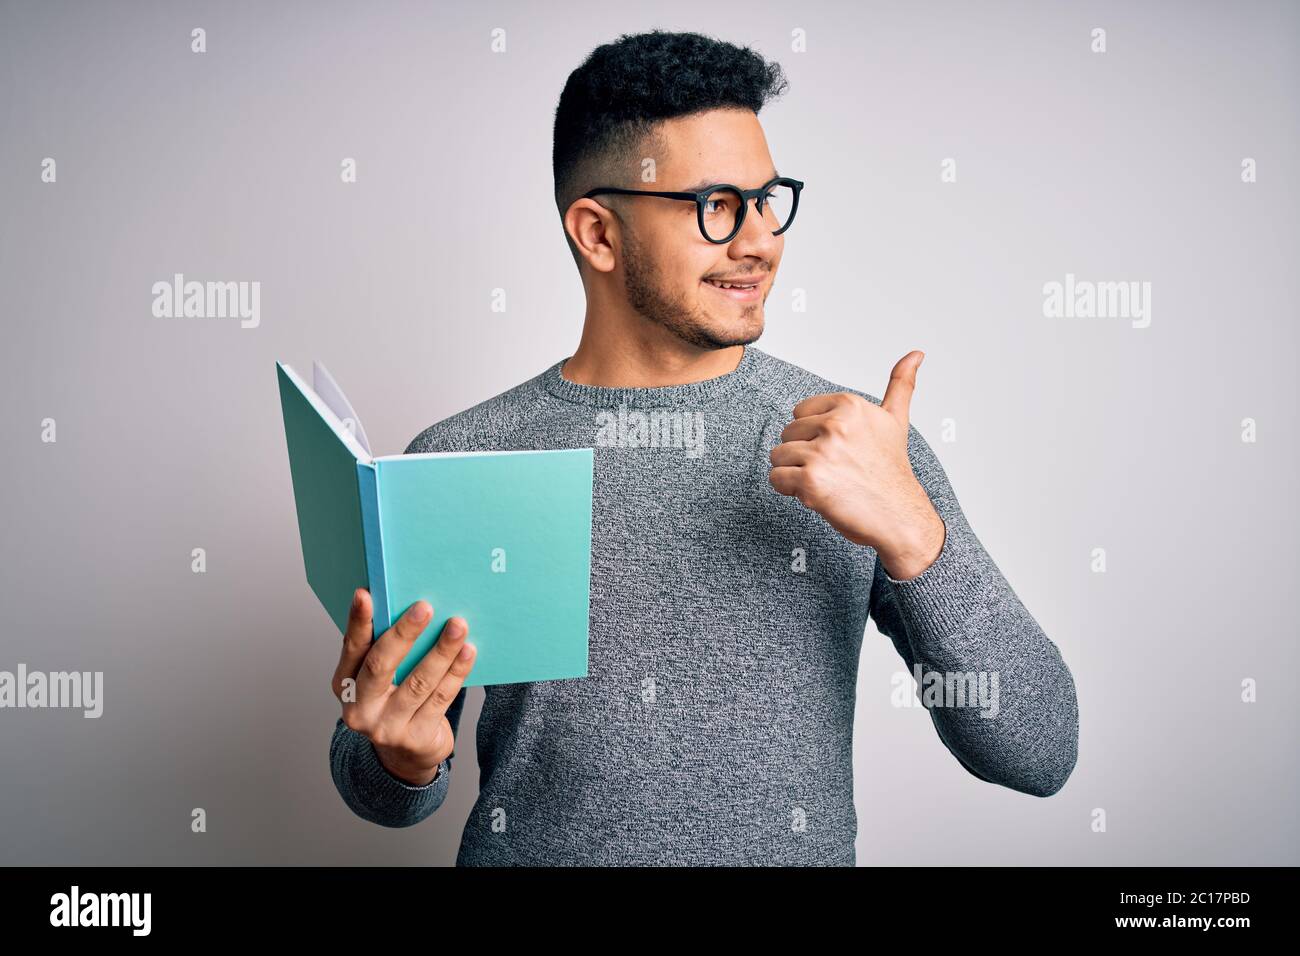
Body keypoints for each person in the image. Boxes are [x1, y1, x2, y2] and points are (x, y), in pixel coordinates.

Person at [328, 29, 1079, 866]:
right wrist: (402, 755)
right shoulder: (462, 460)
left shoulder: (853, 445)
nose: (759, 239)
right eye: (716, 204)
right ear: (599, 234)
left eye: (767, 198)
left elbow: (1040, 751)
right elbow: (375, 780)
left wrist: (917, 537)